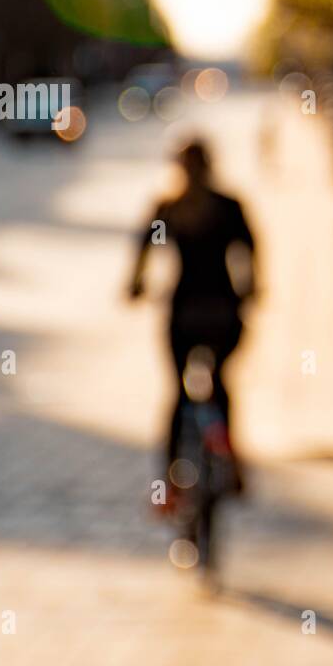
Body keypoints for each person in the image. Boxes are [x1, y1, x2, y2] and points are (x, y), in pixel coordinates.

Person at [128, 140, 256, 501]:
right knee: (221, 383)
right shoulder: (229, 207)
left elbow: (144, 249)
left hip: (184, 310)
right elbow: (251, 249)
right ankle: (230, 462)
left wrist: (136, 285)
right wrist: (252, 288)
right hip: (223, 309)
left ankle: (169, 482)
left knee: (178, 392)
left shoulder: (169, 208)